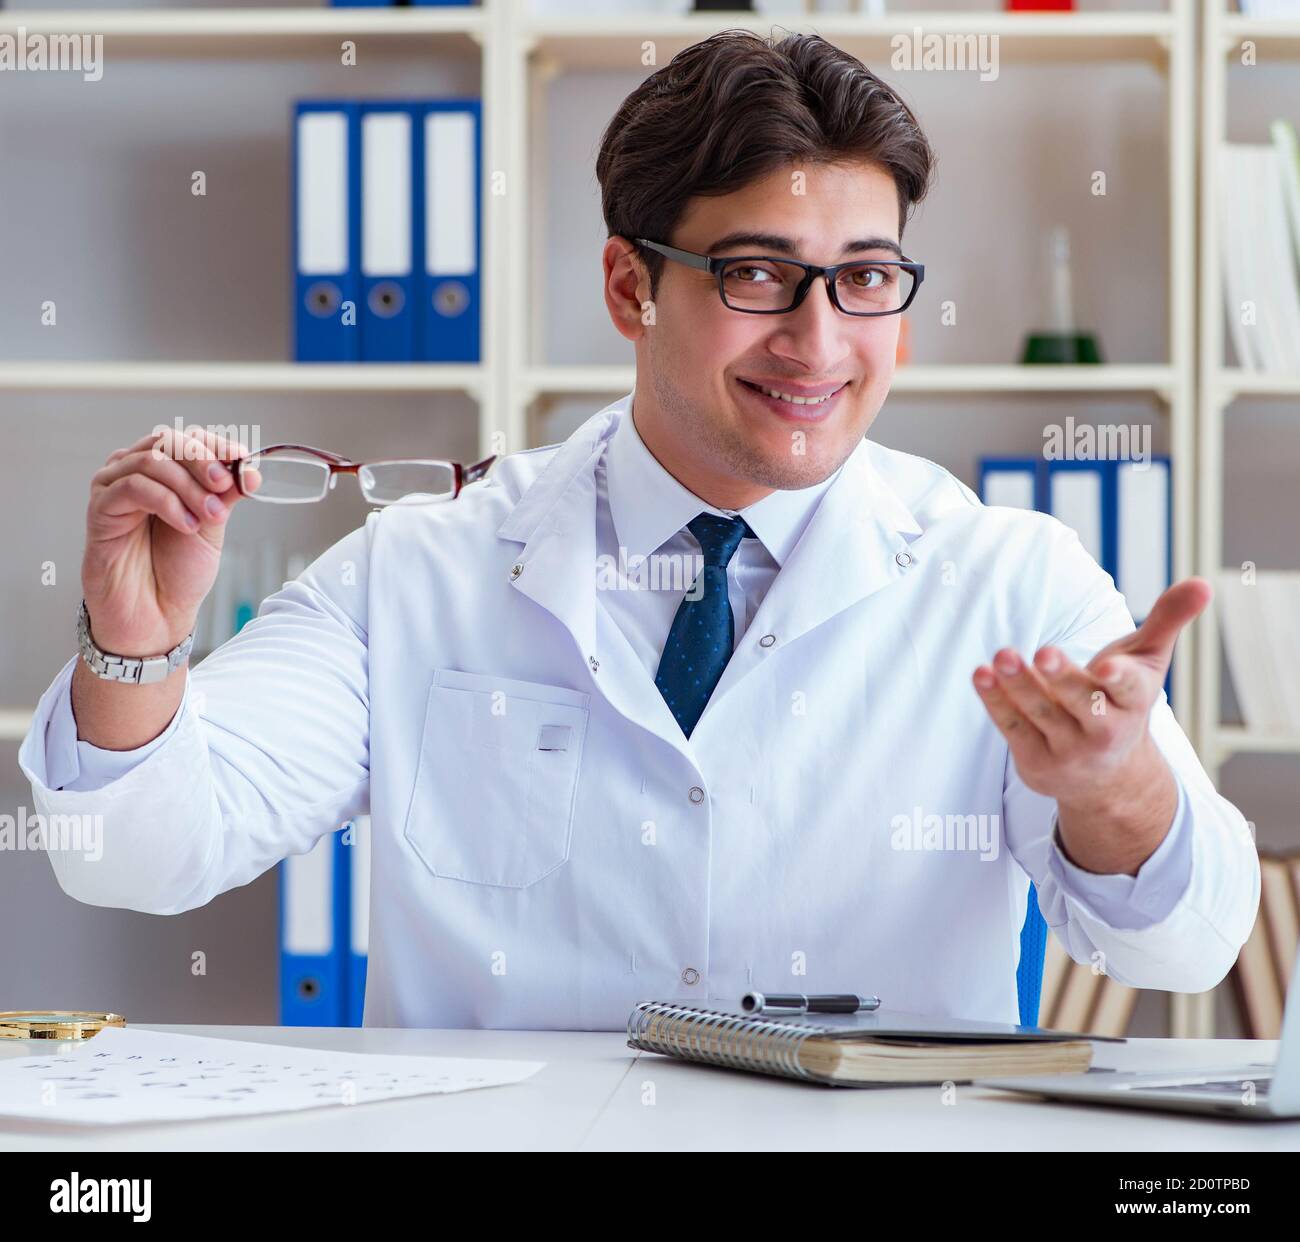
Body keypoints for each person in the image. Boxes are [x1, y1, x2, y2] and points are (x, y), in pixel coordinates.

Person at [20, 31, 1257, 1031]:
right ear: (631, 286)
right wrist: (132, 645)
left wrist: (1119, 791)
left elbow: (1190, 947)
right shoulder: (421, 571)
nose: (818, 343)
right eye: (756, 276)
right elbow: (133, 860)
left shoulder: (1008, 580)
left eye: (865, 279)